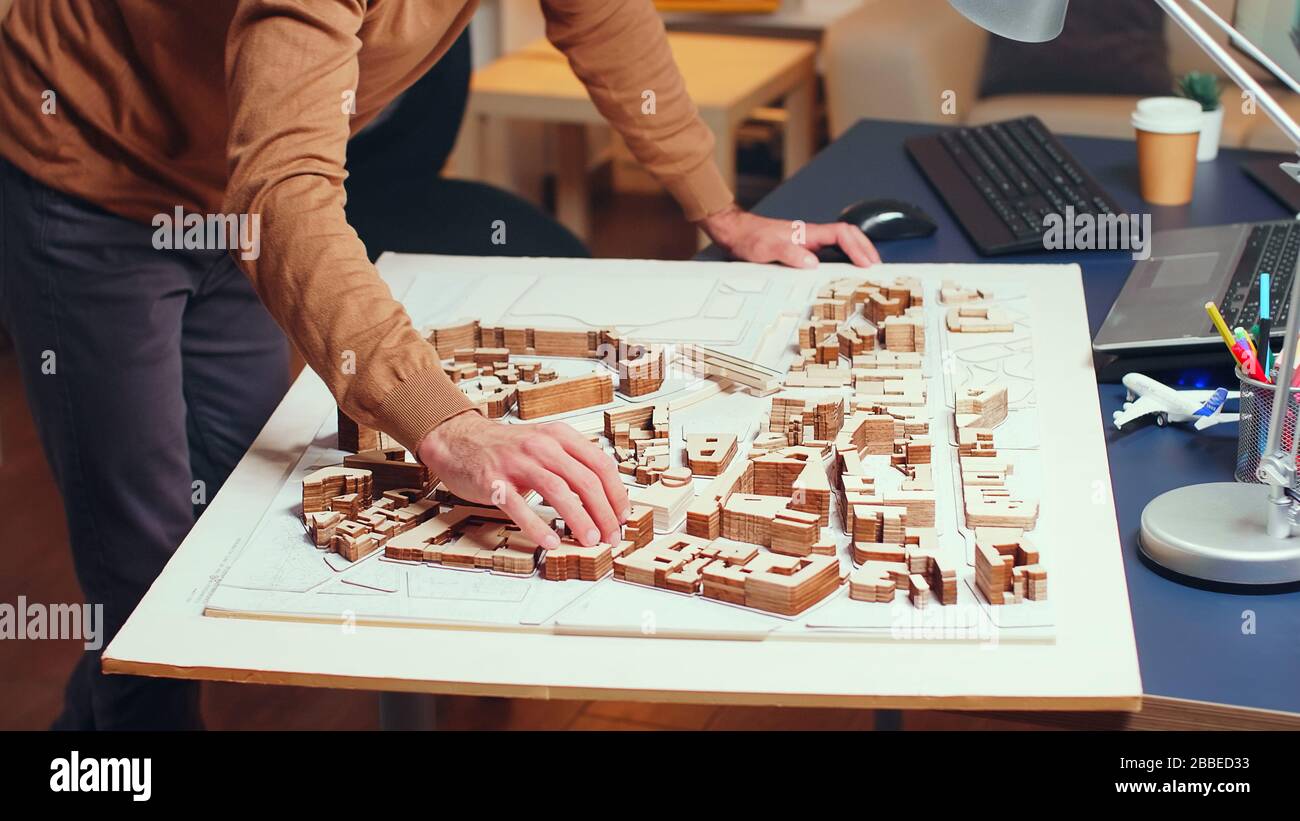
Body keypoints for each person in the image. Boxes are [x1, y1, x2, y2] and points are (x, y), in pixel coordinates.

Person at [0, 0, 879, 730]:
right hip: (91, 168)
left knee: (240, 513)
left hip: (235, 178)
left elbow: (601, 15)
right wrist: (445, 420)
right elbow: (281, 193)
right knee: (149, 586)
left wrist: (717, 208)